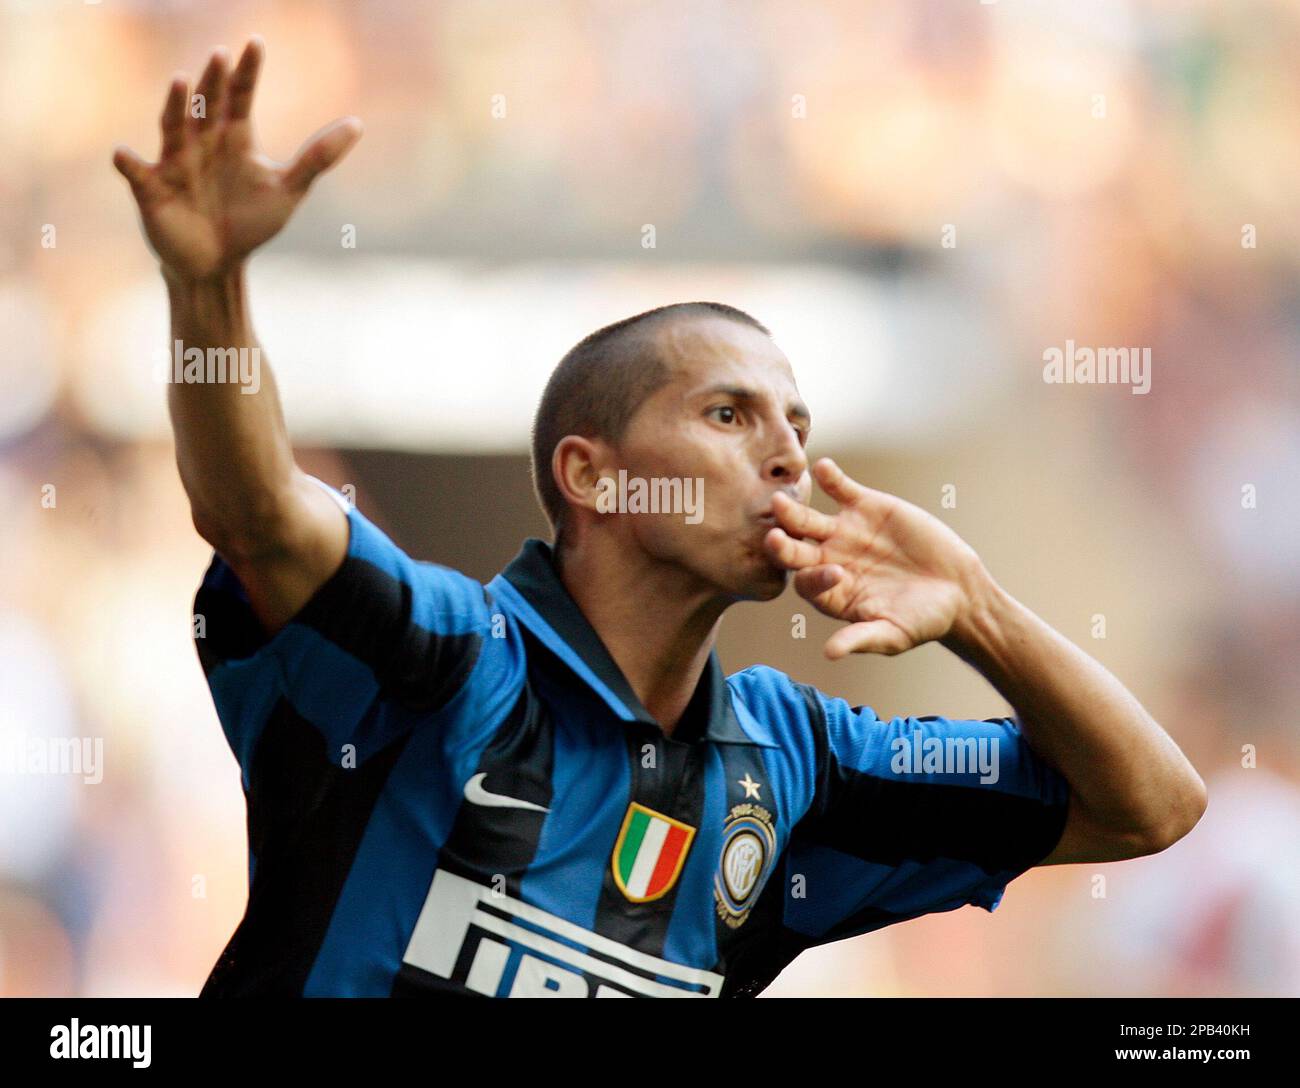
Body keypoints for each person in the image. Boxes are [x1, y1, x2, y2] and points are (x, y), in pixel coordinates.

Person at [113, 38, 1207, 998]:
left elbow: (1148, 807)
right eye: (728, 412)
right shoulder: (442, 659)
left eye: (796, 421)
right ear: (592, 476)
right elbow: (253, 511)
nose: (785, 451)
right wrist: (207, 288)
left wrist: (976, 606)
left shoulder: (798, 765)